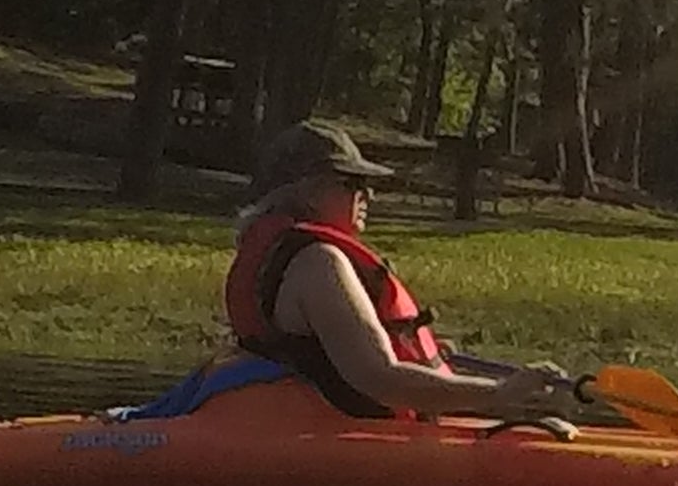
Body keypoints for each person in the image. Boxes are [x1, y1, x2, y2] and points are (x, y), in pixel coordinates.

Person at [223, 120, 592, 424]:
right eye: (353, 183)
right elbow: (380, 378)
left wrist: (420, 355)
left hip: (305, 426)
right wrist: (500, 393)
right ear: (310, 192)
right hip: (353, 445)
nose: (369, 195)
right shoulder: (318, 263)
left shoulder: (278, 255)